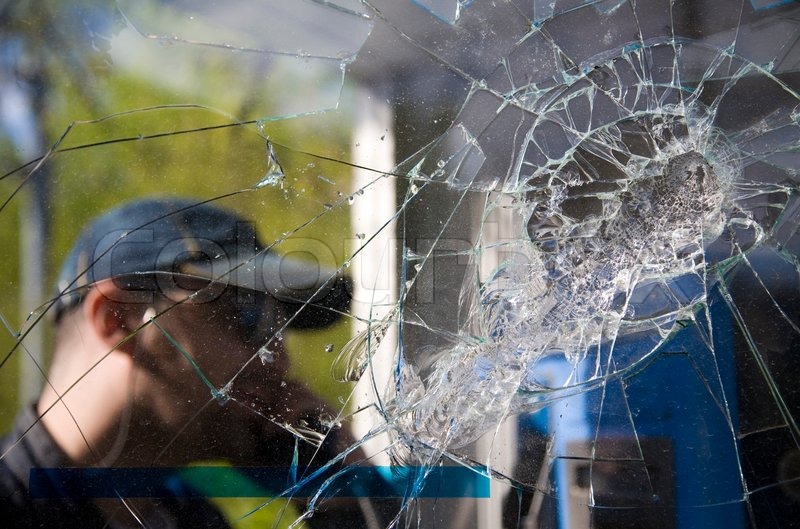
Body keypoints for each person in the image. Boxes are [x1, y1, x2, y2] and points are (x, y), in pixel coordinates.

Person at [0, 196, 375, 528]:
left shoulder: (192, 516)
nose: (279, 361)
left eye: (280, 328)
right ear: (119, 319)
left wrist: (343, 502)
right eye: (249, 316)